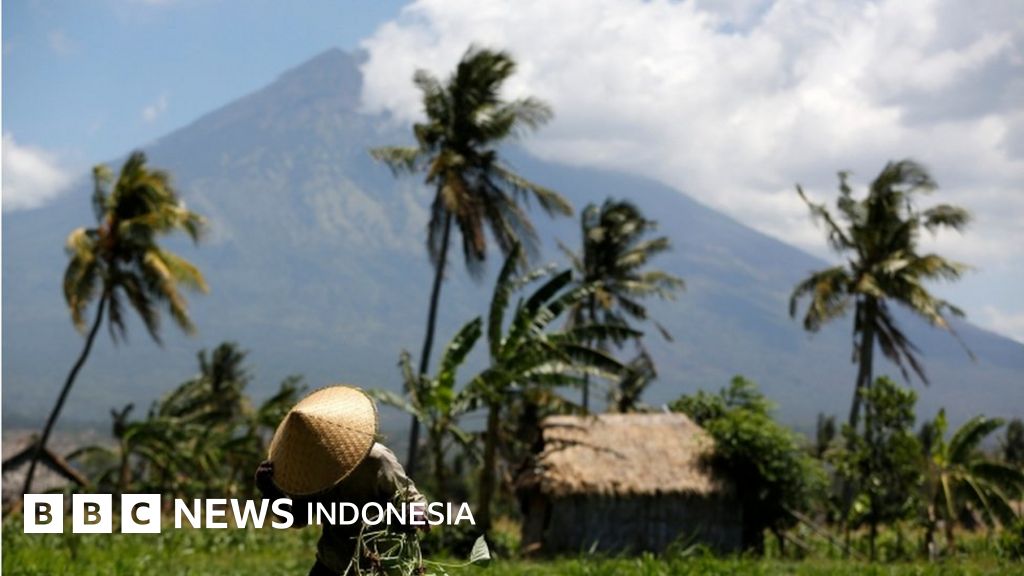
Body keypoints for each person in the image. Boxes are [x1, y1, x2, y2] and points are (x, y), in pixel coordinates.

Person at [254, 385, 426, 576]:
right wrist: (269, 492)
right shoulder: (309, 471)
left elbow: (413, 499)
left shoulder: (376, 460)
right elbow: (298, 518)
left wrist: (414, 514)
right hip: (332, 566)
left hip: (380, 567)